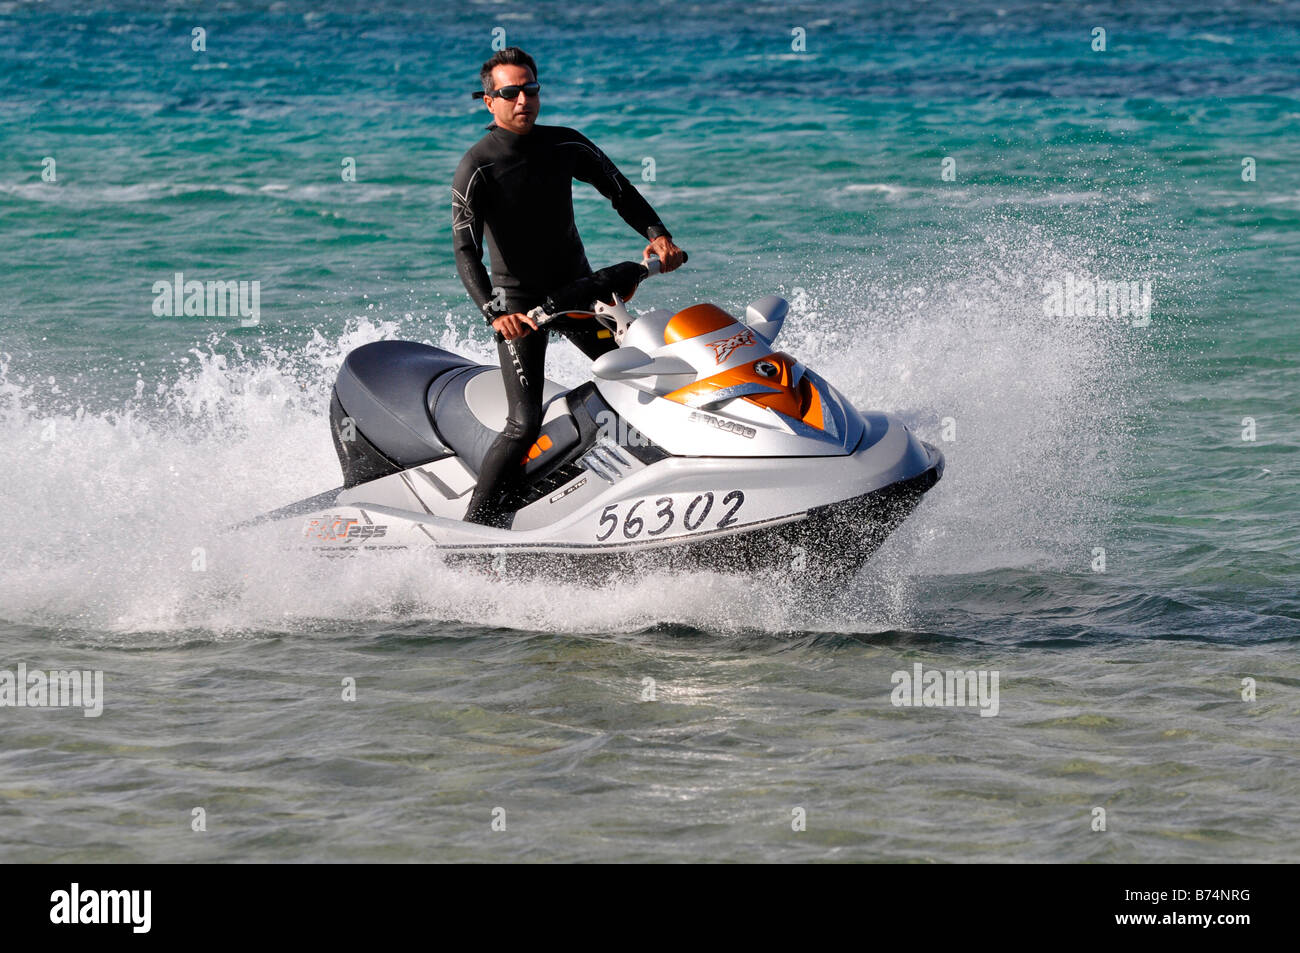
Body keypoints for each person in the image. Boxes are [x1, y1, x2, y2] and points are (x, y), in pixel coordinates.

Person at [452, 47, 685, 527]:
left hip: (580, 294)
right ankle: (475, 527)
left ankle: (676, 474)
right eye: (510, 92)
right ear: (488, 102)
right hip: (519, 310)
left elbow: (619, 190)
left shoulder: (565, 145)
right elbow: (465, 252)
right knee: (522, 423)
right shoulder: (477, 167)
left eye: (531, 89)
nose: (523, 100)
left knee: (643, 373)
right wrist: (496, 313)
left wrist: (658, 235)